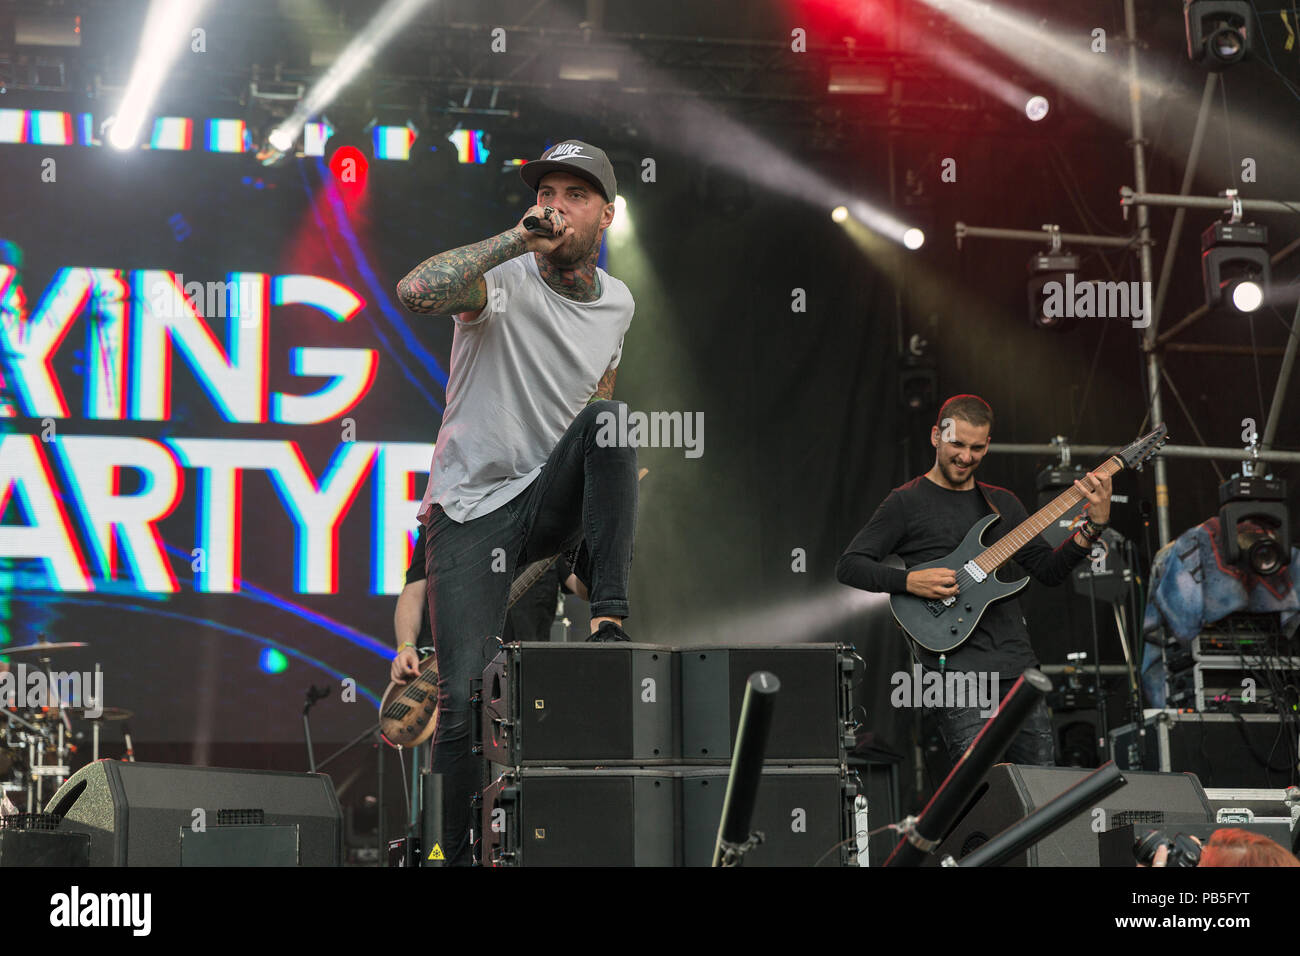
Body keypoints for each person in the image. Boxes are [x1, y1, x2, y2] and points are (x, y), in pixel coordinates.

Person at [393, 139, 637, 865]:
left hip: (543, 499)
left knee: (612, 423)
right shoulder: (501, 281)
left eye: (575, 195)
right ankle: (450, 854)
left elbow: (600, 398)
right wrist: (512, 240)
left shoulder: (620, 302)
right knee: (467, 701)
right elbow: (414, 293)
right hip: (470, 511)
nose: (555, 206)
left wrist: (587, 525)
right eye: (546, 192)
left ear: (608, 216)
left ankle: (610, 618)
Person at [835, 394, 1112, 767]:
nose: (966, 457)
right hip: (956, 676)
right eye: (958, 444)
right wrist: (909, 581)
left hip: (1017, 667)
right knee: (982, 791)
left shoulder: (1003, 504)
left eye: (977, 448)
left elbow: (1049, 571)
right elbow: (850, 566)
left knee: (1038, 787)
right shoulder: (905, 503)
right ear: (936, 436)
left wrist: (1093, 526)